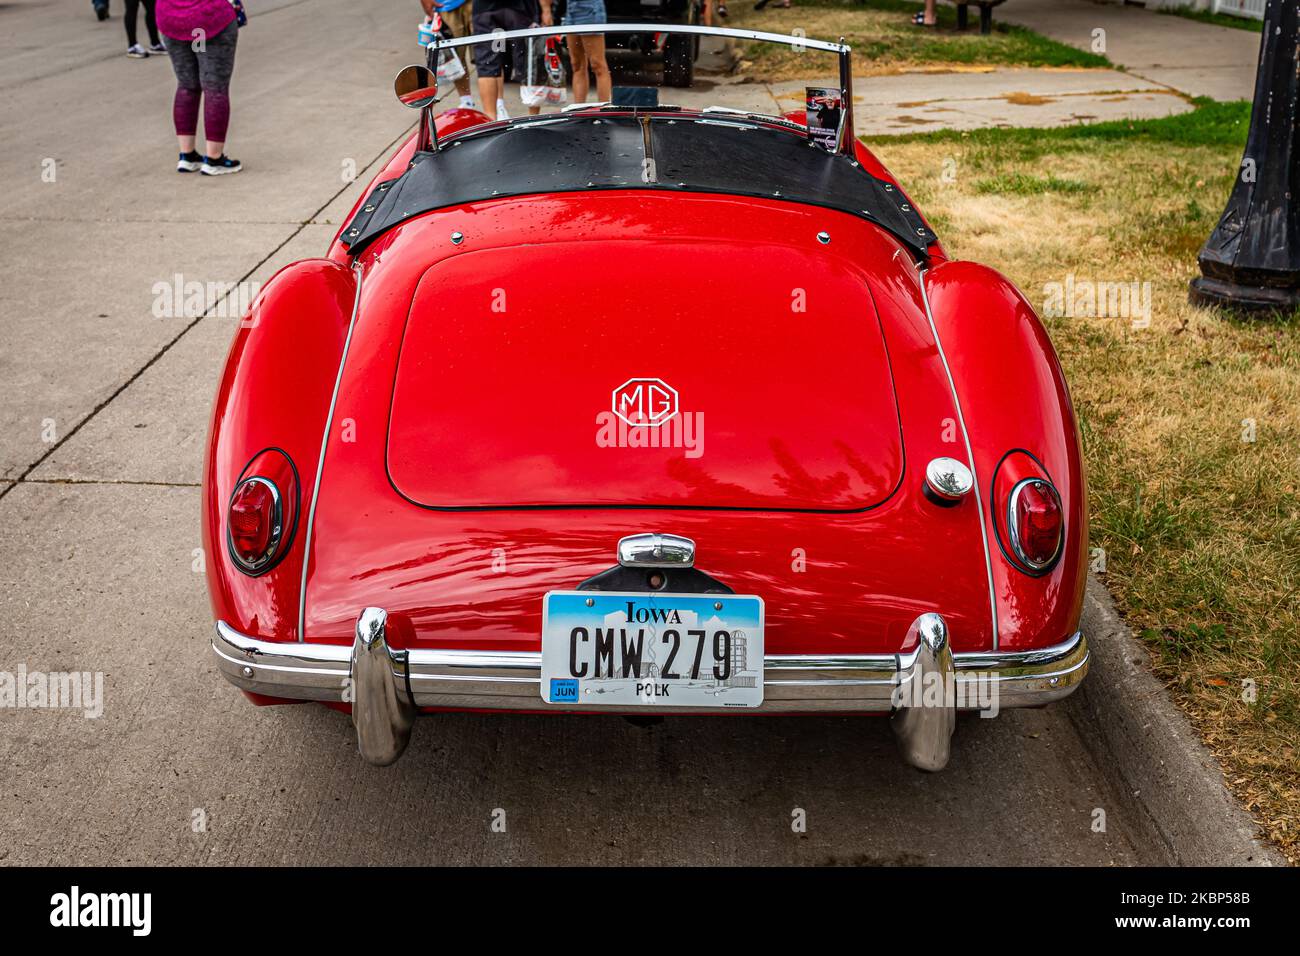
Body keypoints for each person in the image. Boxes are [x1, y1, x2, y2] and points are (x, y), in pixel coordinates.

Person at [156, 0, 241, 175]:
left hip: (172, 17)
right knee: (214, 86)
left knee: (187, 85)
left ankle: (187, 155)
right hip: (206, 19)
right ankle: (214, 158)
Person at [472, 0, 538, 121]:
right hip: (519, 9)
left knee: (489, 63)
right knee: (529, 61)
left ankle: (491, 117)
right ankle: (532, 118)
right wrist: (546, 10)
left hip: (487, 10)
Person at [541, 0, 609, 106]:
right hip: (571, 10)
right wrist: (546, 9)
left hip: (591, 9)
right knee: (576, 64)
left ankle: (605, 111)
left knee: (597, 64)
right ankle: (579, 110)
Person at [421, 0, 476, 109]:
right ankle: (467, 102)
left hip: (481, 4)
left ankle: (498, 106)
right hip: (445, 4)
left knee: (487, 55)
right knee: (454, 56)